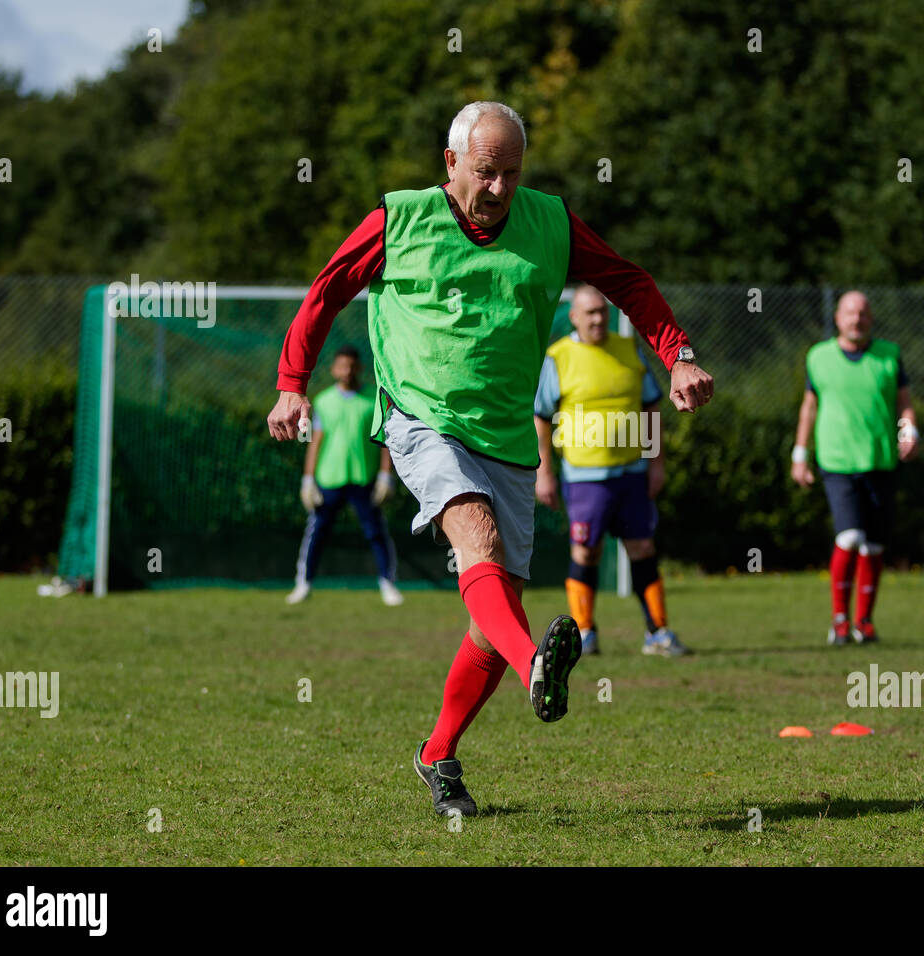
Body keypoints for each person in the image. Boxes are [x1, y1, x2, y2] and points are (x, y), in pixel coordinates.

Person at [266, 101, 713, 817]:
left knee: (487, 617)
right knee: (475, 535)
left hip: (504, 435)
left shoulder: (551, 222)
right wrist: (292, 385)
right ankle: (535, 658)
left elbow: (628, 279)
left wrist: (679, 354)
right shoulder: (400, 219)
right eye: (485, 172)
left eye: (511, 172)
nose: (500, 188)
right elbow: (326, 291)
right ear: (450, 165)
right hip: (420, 417)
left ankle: (438, 754)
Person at [534, 284, 687, 657]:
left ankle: (658, 633)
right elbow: (541, 417)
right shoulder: (557, 357)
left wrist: (656, 464)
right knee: (587, 551)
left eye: (602, 311)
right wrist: (544, 473)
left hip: (632, 473)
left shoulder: (628, 350)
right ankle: (584, 633)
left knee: (642, 546)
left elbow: (651, 408)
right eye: (589, 313)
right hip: (585, 477)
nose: (598, 319)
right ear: (574, 317)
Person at [790, 290, 918, 645]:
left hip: (879, 459)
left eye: (862, 313)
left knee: (874, 545)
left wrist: (909, 433)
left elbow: (904, 403)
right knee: (849, 536)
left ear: (871, 318)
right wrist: (800, 453)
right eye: (849, 312)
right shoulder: (819, 357)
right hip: (837, 460)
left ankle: (865, 622)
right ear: (837, 318)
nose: (856, 319)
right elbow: (809, 407)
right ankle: (840, 620)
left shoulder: (889, 355)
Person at [287, 344, 404, 607]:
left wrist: (386, 475)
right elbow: (316, 441)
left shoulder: (374, 399)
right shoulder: (323, 401)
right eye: (342, 365)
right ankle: (303, 583)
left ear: (360, 368)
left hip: (364, 478)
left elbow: (383, 439)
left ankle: (388, 583)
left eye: (352, 365)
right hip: (329, 479)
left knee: (375, 531)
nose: (347, 370)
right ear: (334, 369)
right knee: (317, 532)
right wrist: (308, 478)